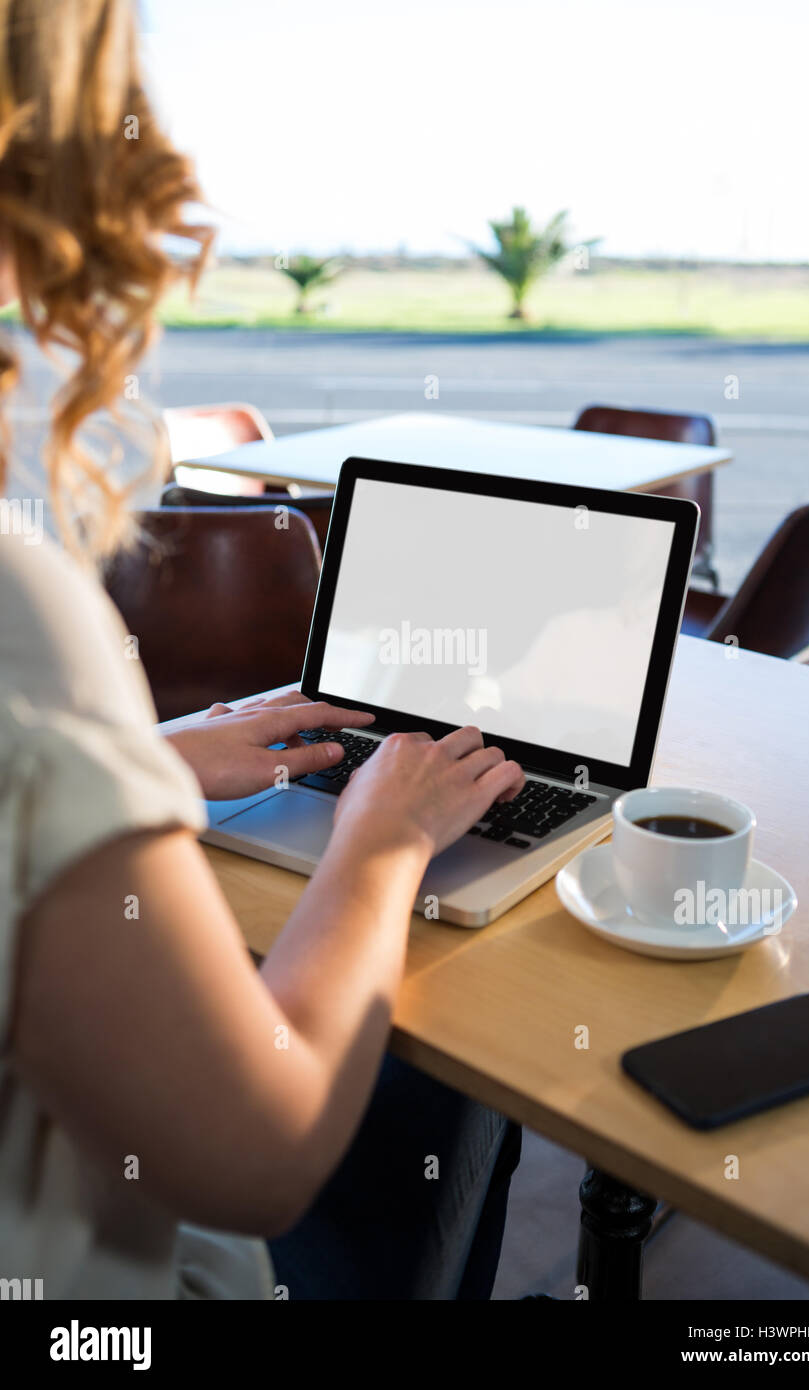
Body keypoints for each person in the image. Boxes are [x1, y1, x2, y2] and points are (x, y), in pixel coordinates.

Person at [0, 0, 522, 1300]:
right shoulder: (22, 608)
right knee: (450, 1088)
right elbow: (258, 1151)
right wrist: (385, 833)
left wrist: (143, 764)